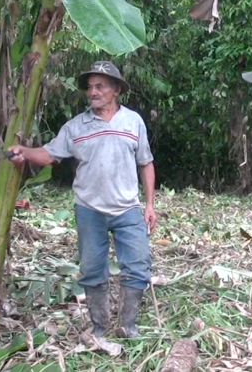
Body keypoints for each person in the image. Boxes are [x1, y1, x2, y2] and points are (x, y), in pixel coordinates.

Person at [8, 61, 157, 339]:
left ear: (116, 90)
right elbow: (49, 155)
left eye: (100, 86)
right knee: (92, 269)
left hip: (128, 208)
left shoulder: (133, 121)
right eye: (90, 87)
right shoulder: (76, 126)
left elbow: (146, 163)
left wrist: (149, 205)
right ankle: (99, 327)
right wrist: (24, 152)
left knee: (137, 266)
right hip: (90, 209)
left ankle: (128, 326)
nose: (93, 92)